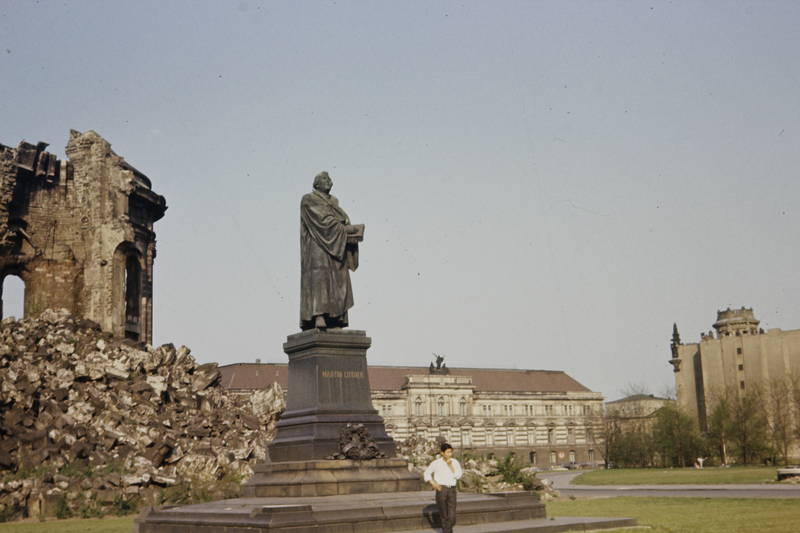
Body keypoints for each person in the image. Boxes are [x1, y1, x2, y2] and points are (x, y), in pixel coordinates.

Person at [299, 171, 362, 330]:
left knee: (338, 278)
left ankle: (335, 317)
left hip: (336, 244)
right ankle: (319, 315)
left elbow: (339, 221)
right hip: (318, 246)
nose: (330, 182)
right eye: (326, 179)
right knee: (320, 277)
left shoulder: (334, 202)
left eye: (330, 179)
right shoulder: (308, 199)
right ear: (317, 183)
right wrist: (348, 229)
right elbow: (323, 222)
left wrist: (347, 229)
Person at [424, 442, 463, 533]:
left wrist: (451, 466)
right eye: (448, 452)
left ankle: (447, 529)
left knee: (452, 516)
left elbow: (458, 475)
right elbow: (427, 473)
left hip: (452, 489)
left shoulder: (455, 462)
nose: (450, 454)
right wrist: (433, 483)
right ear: (442, 453)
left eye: (451, 452)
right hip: (441, 489)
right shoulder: (436, 463)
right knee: (444, 514)